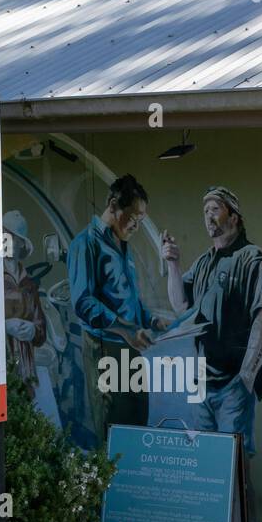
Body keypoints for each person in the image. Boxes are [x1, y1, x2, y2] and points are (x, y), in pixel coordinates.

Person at [162, 186, 262, 522]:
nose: (208, 216)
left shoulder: (252, 259)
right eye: (205, 210)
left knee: (237, 470)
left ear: (234, 216)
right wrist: (173, 263)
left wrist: (247, 376)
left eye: (215, 209)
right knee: (209, 470)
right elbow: (181, 305)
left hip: (231, 387)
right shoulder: (206, 261)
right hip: (201, 383)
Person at [68, 175, 169, 432]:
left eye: (141, 221)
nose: (136, 226)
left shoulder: (123, 246)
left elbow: (129, 298)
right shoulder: (85, 244)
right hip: (106, 349)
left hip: (131, 347)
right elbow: (84, 302)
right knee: (113, 430)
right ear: (113, 205)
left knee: (138, 424)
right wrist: (126, 329)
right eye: (134, 218)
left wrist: (150, 320)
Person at [3, 210, 47, 397]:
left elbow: (41, 331)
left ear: (21, 244)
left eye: (12, 237)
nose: (6, 240)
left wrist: (33, 331)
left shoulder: (29, 285)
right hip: (0, 370)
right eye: (4, 235)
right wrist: (4, 326)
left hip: (26, 371)